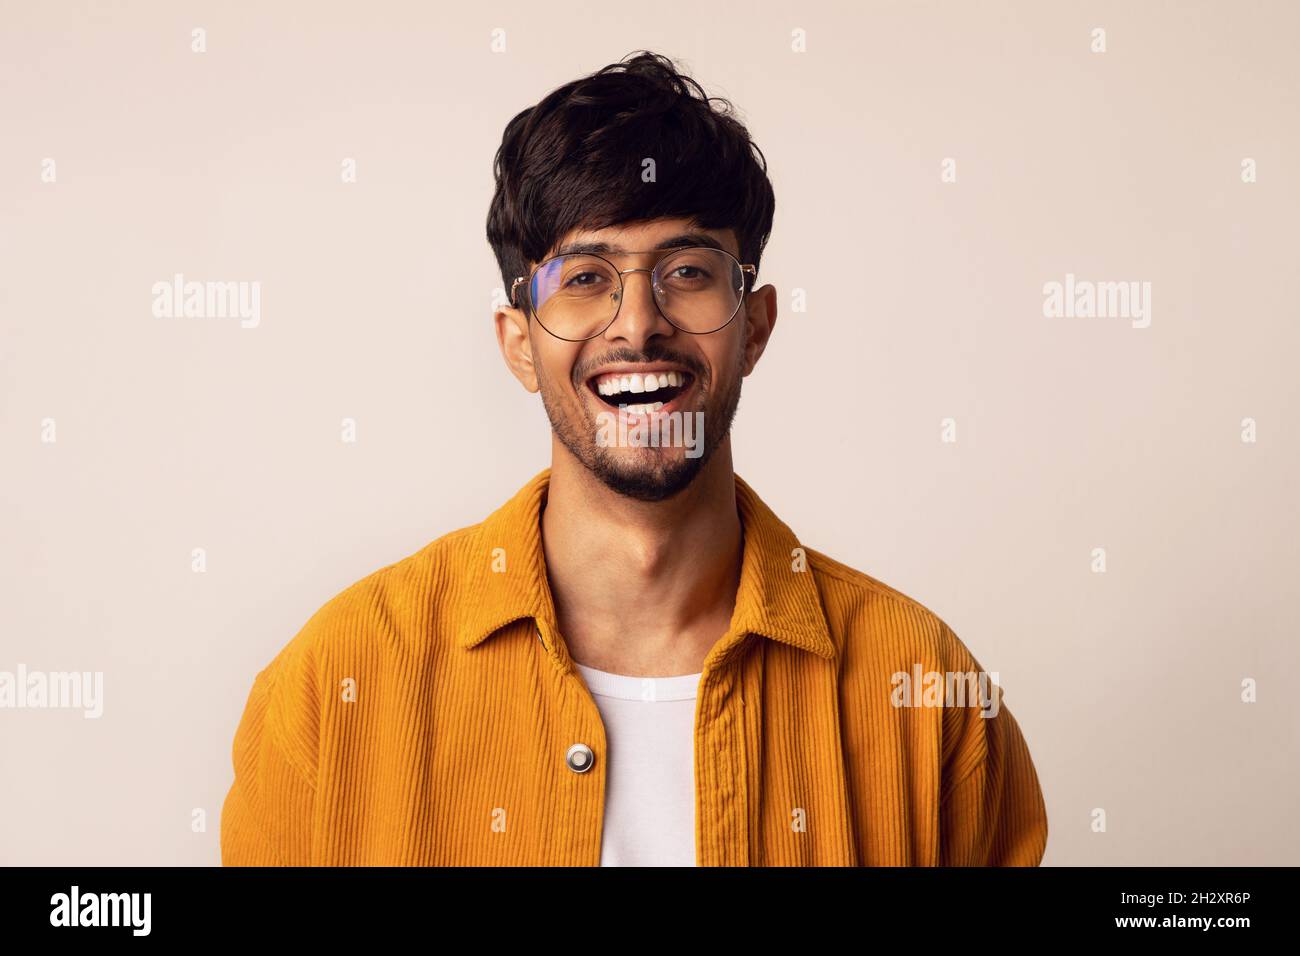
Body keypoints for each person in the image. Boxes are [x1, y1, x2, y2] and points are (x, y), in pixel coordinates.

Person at [221, 50, 1048, 867]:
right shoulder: (336, 685)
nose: (638, 323)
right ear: (518, 345)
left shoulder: (925, 687)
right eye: (584, 276)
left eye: (687, 270)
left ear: (753, 327)